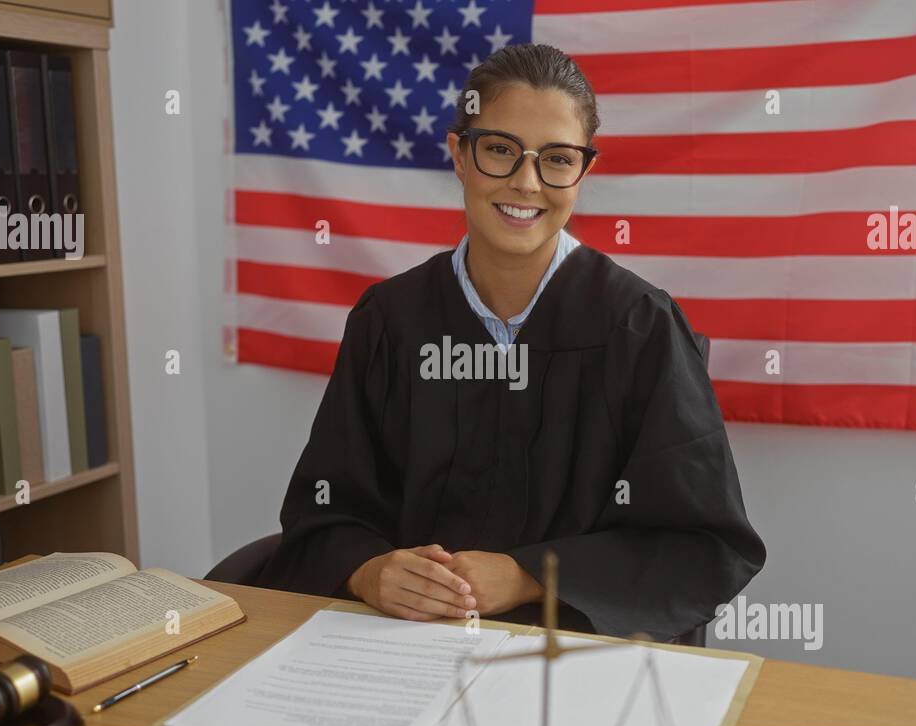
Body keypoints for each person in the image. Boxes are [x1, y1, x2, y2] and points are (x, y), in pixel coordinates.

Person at [257, 43, 766, 642]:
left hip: (579, 653)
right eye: (500, 150)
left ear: (583, 172)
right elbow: (324, 510)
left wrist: (529, 575)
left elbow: (703, 545)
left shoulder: (639, 327)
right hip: (408, 648)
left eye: (556, 159)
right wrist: (370, 571)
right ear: (460, 156)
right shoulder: (390, 321)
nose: (526, 183)